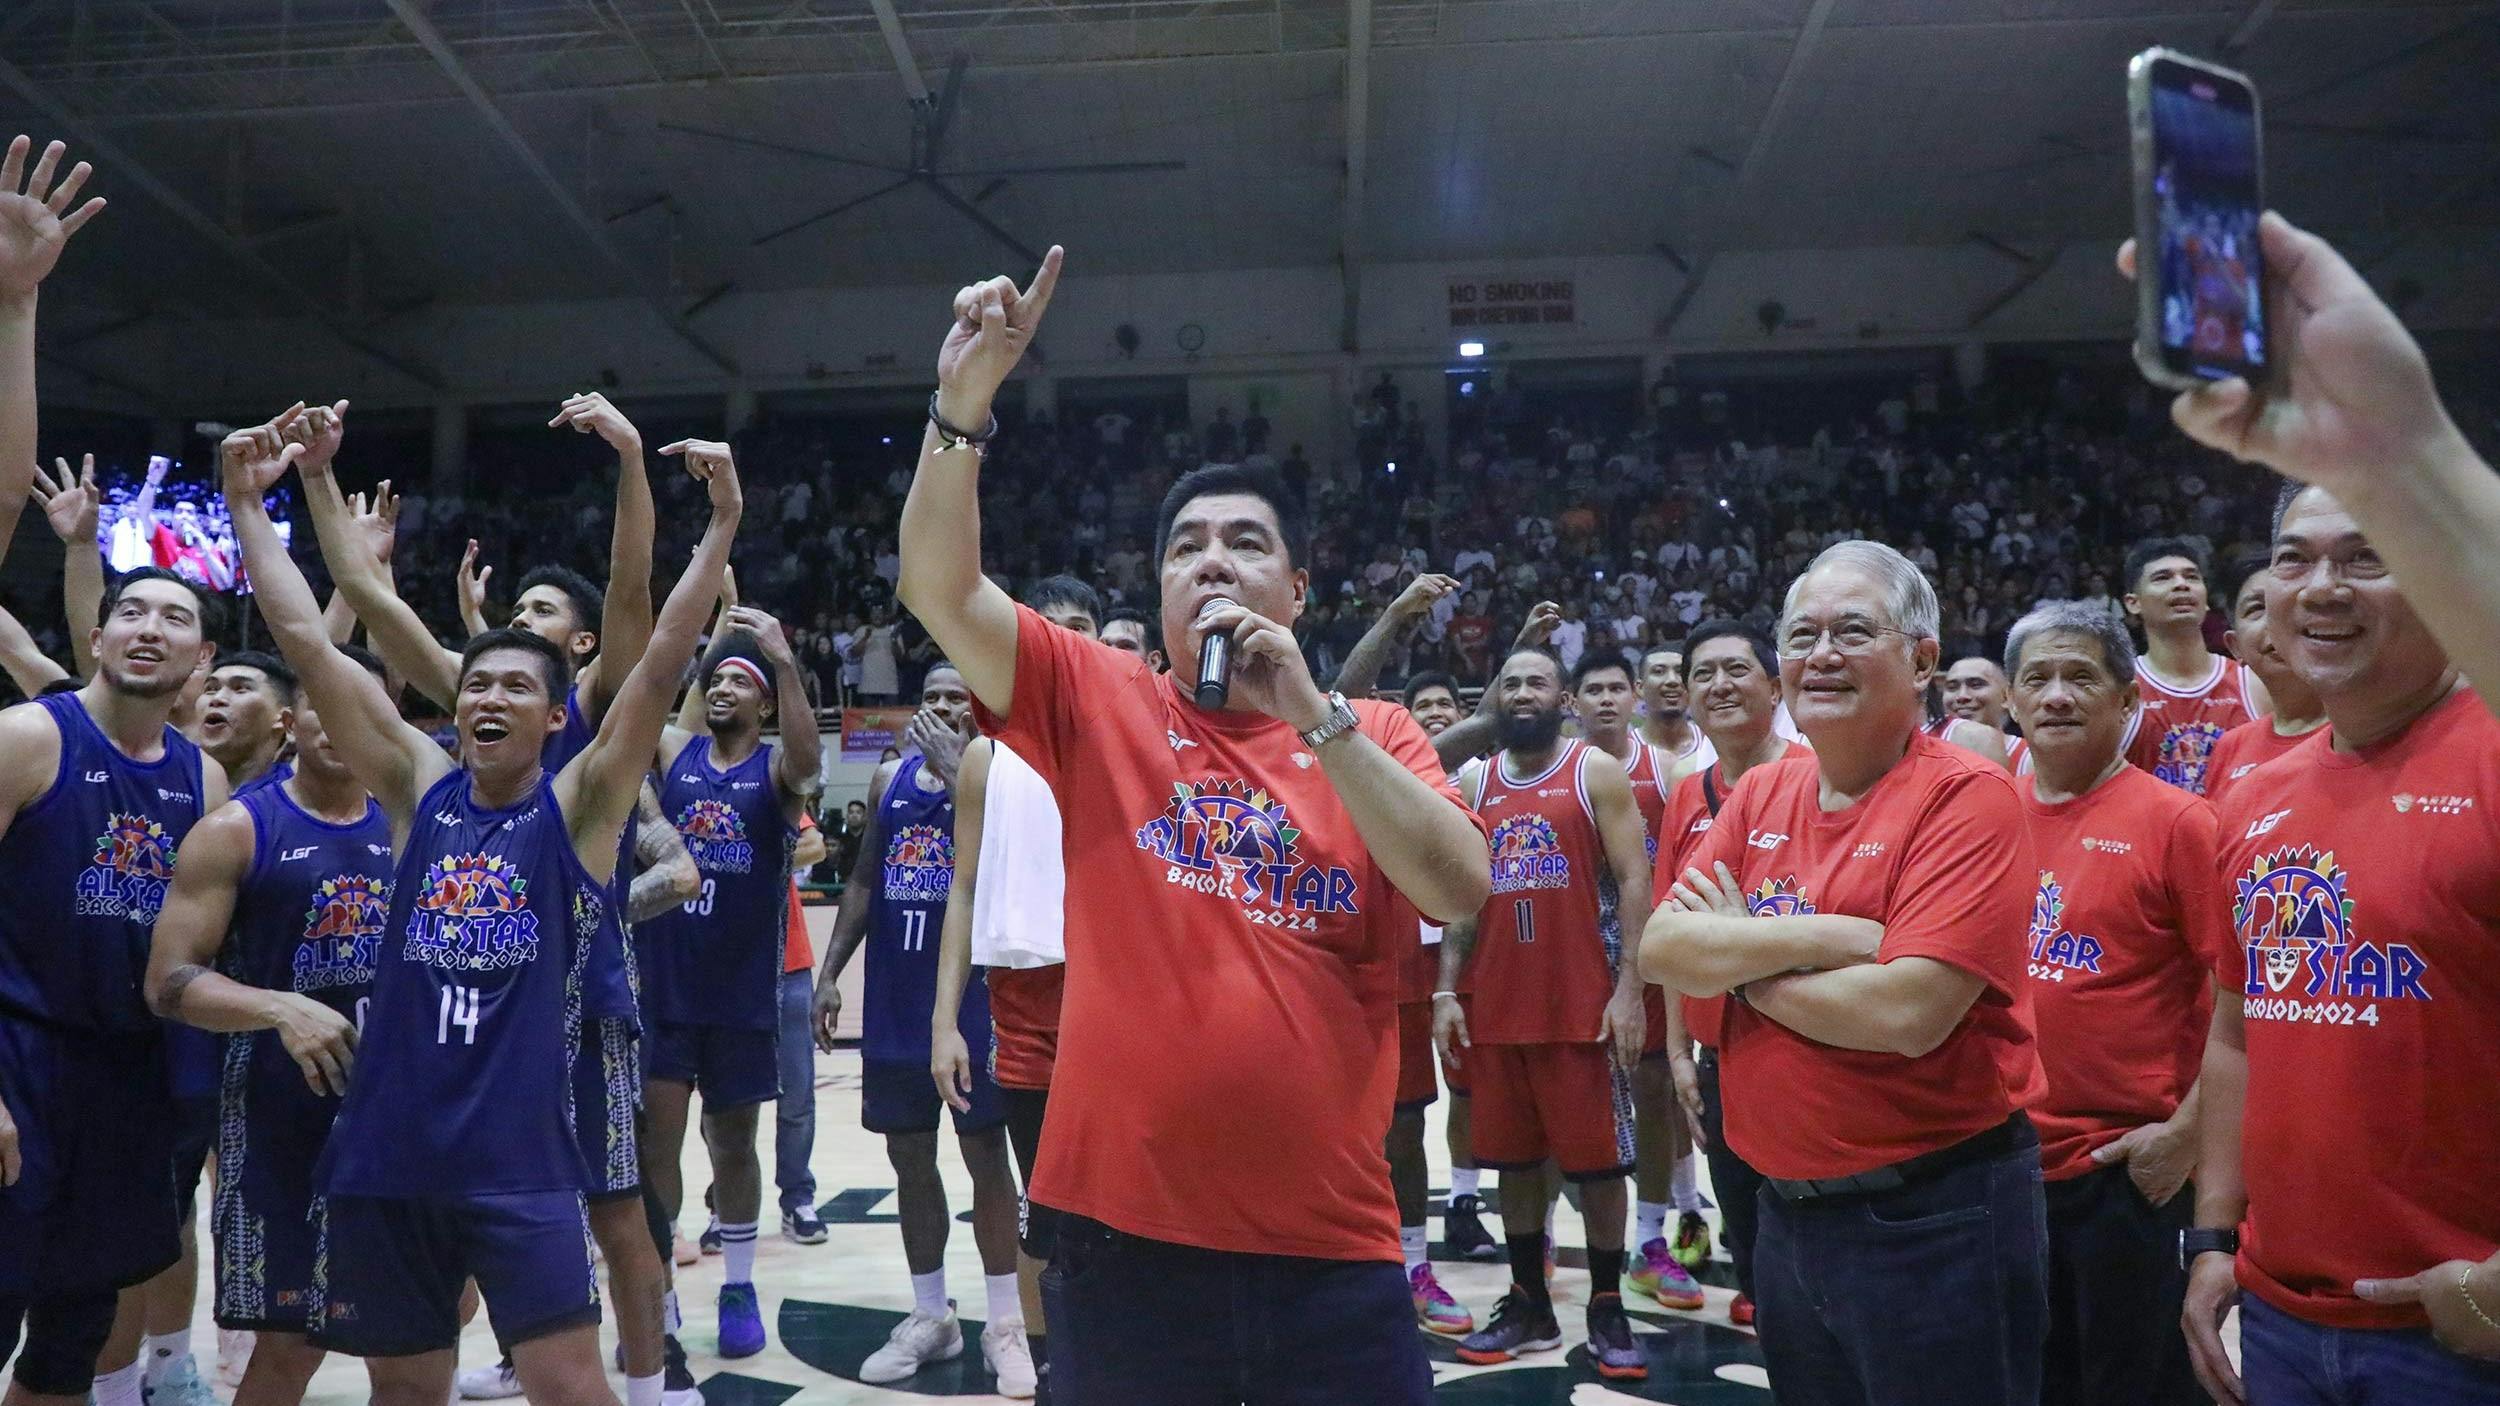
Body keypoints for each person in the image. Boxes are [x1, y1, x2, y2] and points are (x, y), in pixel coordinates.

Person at [898, 248, 1487, 1403]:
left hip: (1331, 1247)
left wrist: (1313, 719)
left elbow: (1457, 886)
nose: (1211, 557)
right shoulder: (1097, 696)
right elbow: (939, 586)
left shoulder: (1370, 732)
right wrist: (959, 410)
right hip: (1124, 1243)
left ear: (1301, 592)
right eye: (1185, 545)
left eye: (1246, 542)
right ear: (1160, 592)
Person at [210, 406, 737, 1406]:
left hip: (520, 1158)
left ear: (554, 714)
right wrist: (253, 504)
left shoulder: (581, 805)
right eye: (475, 681)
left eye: (514, 685)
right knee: (405, 1390)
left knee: (571, 1387)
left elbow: (664, 648)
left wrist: (718, 526)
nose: (488, 695)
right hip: (386, 1153)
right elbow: (309, 644)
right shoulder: (417, 784)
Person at [2135, 212, 2500, 1404]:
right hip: (2279, 1319)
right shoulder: (2254, 784)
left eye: (2367, 549)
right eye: (2293, 557)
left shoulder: (2491, 751)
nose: (2321, 587)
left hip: (2454, 1329)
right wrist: (2211, 1237)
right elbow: (2239, 1024)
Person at [1644, 540, 2048, 1406]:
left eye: (1853, 631)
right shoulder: (1760, 793)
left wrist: (1743, 957)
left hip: (1933, 1216)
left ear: (1924, 659)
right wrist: (1833, 936)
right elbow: (1665, 949)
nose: (1819, 655)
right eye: (1802, 634)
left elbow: (1907, 1012)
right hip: (1784, 1215)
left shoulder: (1968, 796)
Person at [143, 646, 396, 1406]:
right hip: (279, 1126)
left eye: (365, 701)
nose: (345, 718)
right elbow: (169, 982)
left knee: (426, 1336)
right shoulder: (236, 830)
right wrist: (278, 1006)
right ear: (292, 721)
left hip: (398, 1124)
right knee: (289, 1348)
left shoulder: (417, 822)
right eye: (327, 700)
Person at [0, 566, 225, 1406]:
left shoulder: (202, 780)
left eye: (173, 617)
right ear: (97, 638)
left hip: (127, 1078)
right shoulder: (26, 736)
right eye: (130, 611)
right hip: (17, 1057)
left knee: (74, 1331)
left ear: (199, 658)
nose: (149, 627)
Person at [2002, 602, 2223, 1406]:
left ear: (2128, 702)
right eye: (2039, 679)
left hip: (2128, 1174)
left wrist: (2186, 1138)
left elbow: (2249, 1002)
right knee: (2034, 1381)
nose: (2057, 695)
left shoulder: (2180, 824)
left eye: (2080, 677)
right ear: (2011, 702)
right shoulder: (1984, 816)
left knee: (2137, 1387)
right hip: (2006, 1166)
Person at [1434, 646, 1655, 1381]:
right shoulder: (1476, 778)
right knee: (1516, 1166)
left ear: (1561, 695)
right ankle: (1528, 1299)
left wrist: (1629, 989)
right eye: (1511, 682)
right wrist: (1444, 991)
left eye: (1537, 681)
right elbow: (1463, 899)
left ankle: (1605, 1303)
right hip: (1498, 1006)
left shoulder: (1593, 770)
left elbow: (1633, 877)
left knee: (1598, 1168)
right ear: (1495, 696)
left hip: (1580, 1004)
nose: (1523, 692)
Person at [816, 665, 1025, 1390]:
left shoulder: (1002, 776)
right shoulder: (887, 783)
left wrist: (954, 766)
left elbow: (1008, 867)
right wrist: (830, 974)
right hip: (898, 1006)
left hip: (970, 1005)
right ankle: (932, 1314)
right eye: (932, 697)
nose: (941, 706)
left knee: (984, 1157)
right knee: (909, 1159)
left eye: (956, 697)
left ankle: (1005, 1324)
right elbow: (865, 881)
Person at [925, 575, 1105, 1403]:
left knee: (1126, 1205)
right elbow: (960, 887)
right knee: (1042, 1210)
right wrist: (943, 1023)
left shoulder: (1120, 744)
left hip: (1115, 1000)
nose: (1065, 646)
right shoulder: (985, 756)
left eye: (1082, 631)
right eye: (1052, 630)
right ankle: (1049, 1366)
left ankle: (1124, 1359)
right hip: (1023, 1005)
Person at [637, 606, 822, 1359]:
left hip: (744, 991)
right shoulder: (676, 750)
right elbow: (642, 695)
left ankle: (740, 1283)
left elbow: (810, 764)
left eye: (736, 684)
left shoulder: (774, 770)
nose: (721, 691)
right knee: (659, 1145)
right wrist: (701, 644)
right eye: (714, 682)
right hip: (667, 988)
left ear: (764, 704)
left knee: (735, 1146)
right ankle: (660, 1296)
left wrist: (780, 656)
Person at [1331, 583, 1478, 1336]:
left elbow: (1491, 719)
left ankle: (1412, 1262)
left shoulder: (1421, 754)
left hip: (1405, 968)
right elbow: (1341, 695)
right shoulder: (1340, 732)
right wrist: (1392, 615)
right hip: (1327, 965)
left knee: (1404, 1128)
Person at [1657, 619, 1807, 1330]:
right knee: (1752, 1251)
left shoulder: (1819, 776)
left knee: (1812, 1251)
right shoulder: (1687, 795)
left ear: (1775, 686)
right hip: (1721, 1055)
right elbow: (1665, 938)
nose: (1719, 684)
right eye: (1703, 673)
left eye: (1737, 669)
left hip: (1808, 1045)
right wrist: (1678, 1055)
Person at [1566, 652, 1708, 1308]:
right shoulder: (1558, 765)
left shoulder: (1670, 772)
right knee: (1569, 1098)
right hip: (1573, 949)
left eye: (1614, 688)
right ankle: (1544, 1239)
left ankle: (1655, 1238)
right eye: (1591, 688)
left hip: (1645, 948)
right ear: (1574, 701)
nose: (1603, 699)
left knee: (1656, 1091)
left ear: (1635, 699)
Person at [2122, 536, 2268, 794]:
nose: (2181, 584)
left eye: (2191, 577)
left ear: (2206, 599)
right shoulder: (2119, 691)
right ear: (2133, 603)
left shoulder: (2253, 682)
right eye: (2163, 578)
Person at [2203, 558, 2327, 808]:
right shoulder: (2230, 747)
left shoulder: (2369, 730)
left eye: (2289, 605)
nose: (2276, 622)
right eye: (2257, 608)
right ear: (2235, 646)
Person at [1939, 655, 2027, 772]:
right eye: (1952, 687)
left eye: (1976, 685)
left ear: (2007, 697)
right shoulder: (1923, 749)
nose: (1962, 696)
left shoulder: (2029, 757)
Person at [1637, 646, 1702, 766]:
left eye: (1679, 671)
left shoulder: (1712, 744)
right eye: (1659, 671)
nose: (1672, 680)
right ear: (1640, 688)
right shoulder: (1622, 751)